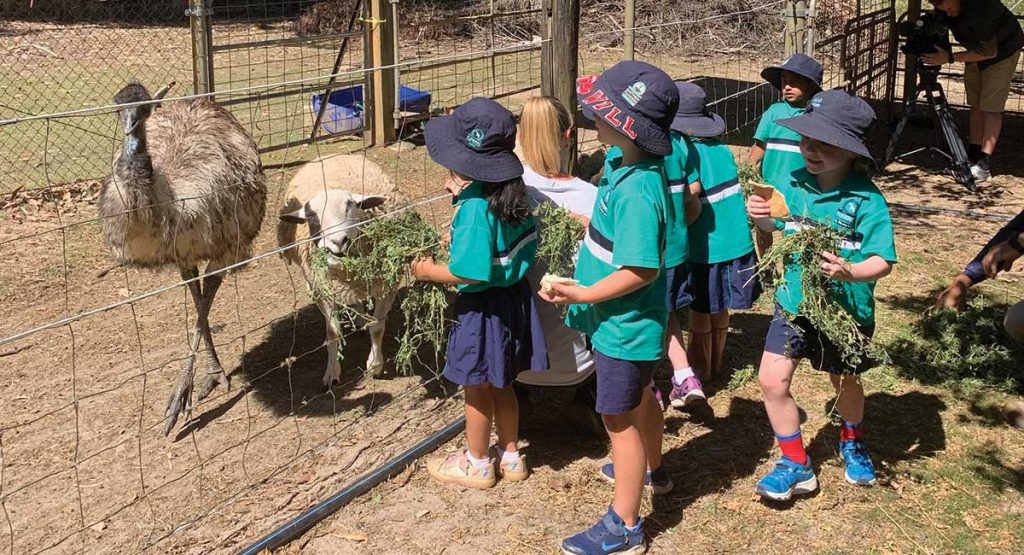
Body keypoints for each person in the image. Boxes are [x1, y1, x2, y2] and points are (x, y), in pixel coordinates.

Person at [540, 60, 678, 555]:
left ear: (625, 125)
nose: (591, 118)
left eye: (601, 112)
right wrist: (591, 226)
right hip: (622, 322)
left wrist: (582, 294)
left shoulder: (639, 190)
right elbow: (622, 238)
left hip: (625, 326)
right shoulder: (623, 163)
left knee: (619, 421)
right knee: (641, 399)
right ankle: (653, 470)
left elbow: (641, 270)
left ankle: (625, 525)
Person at [746, 90, 898, 501]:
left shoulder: (866, 199)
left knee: (844, 378)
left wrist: (851, 271)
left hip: (844, 311)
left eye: (824, 142)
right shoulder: (792, 182)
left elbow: (882, 260)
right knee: (771, 380)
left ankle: (852, 439)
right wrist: (763, 220)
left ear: (851, 151)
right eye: (806, 139)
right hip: (794, 302)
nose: (810, 149)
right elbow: (778, 228)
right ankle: (795, 463)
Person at [412, 97, 548, 489]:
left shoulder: (475, 207)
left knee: (475, 387)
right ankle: (511, 455)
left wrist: (426, 271)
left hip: (482, 309)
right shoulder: (516, 194)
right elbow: (505, 249)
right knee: (503, 382)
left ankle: (477, 464)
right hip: (513, 300)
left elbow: (469, 272)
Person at [674, 81, 762, 383]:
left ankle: (699, 369)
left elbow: (689, 200)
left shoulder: (685, 154)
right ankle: (717, 361)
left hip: (705, 247)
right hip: (736, 242)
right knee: (720, 304)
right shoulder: (723, 150)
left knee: (700, 309)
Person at [515, 95, 598, 381]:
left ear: (520, 137)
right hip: (581, 364)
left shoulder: (509, 194)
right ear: (568, 136)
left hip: (516, 363)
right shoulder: (593, 198)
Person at [921, 0, 1024, 182]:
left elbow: (989, 51)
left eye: (951, 8)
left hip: (1001, 52)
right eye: (945, 10)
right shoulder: (944, 9)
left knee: (991, 107)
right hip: (976, 51)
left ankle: (984, 165)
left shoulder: (980, 8)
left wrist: (949, 58)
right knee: (976, 104)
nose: (950, 13)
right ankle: (972, 157)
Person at [749, 54, 824, 256]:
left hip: (801, 189)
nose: (787, 87)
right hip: (769, 186)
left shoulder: (815, 117)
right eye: (784, 82)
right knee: (763, 226)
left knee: (793, 231)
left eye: (794, 82)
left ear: (811, 85)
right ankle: (767, 266)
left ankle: (790, 267)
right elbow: (758, 147)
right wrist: (750, 172)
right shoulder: (774, 112)